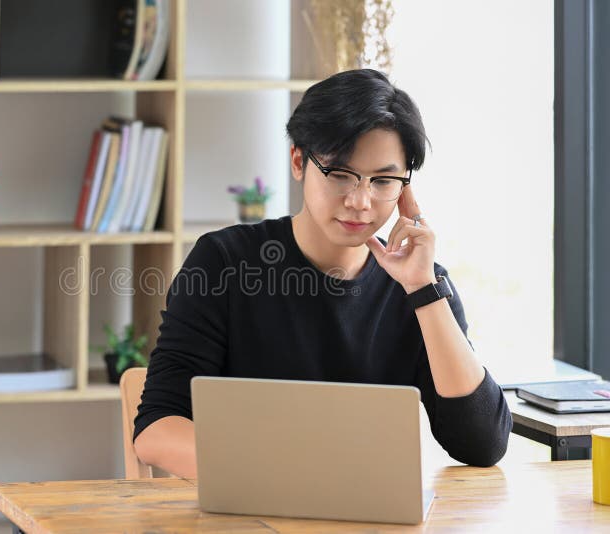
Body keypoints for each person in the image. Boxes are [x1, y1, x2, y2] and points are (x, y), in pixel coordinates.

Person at [132, 68, 512, 478]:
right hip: (252, 509)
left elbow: (482, 444)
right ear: (299, 161)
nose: (361, 201)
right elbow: (156, 428)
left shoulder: (421, 286)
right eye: (341, 174)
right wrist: (286, 476)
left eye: (384, 180)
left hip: (374, 519)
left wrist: (423, 290)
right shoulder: (223, 263)